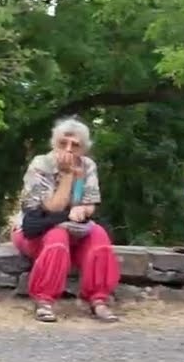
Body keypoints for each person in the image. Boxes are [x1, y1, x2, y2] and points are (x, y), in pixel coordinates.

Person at [10, 118, 120, 322]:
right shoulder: (41, 164)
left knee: (99, 235)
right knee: (57, 236)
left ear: (83, 149)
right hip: (38, 229)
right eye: (63, 143)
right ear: (54, 143)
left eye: (75, 145)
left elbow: (90, 203)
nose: (68, 149)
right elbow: (53, 208)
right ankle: (44, 300)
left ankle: (98, 299)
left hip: (73, 227)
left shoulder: (87, 165)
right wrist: (68, 175)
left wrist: (82, 210)